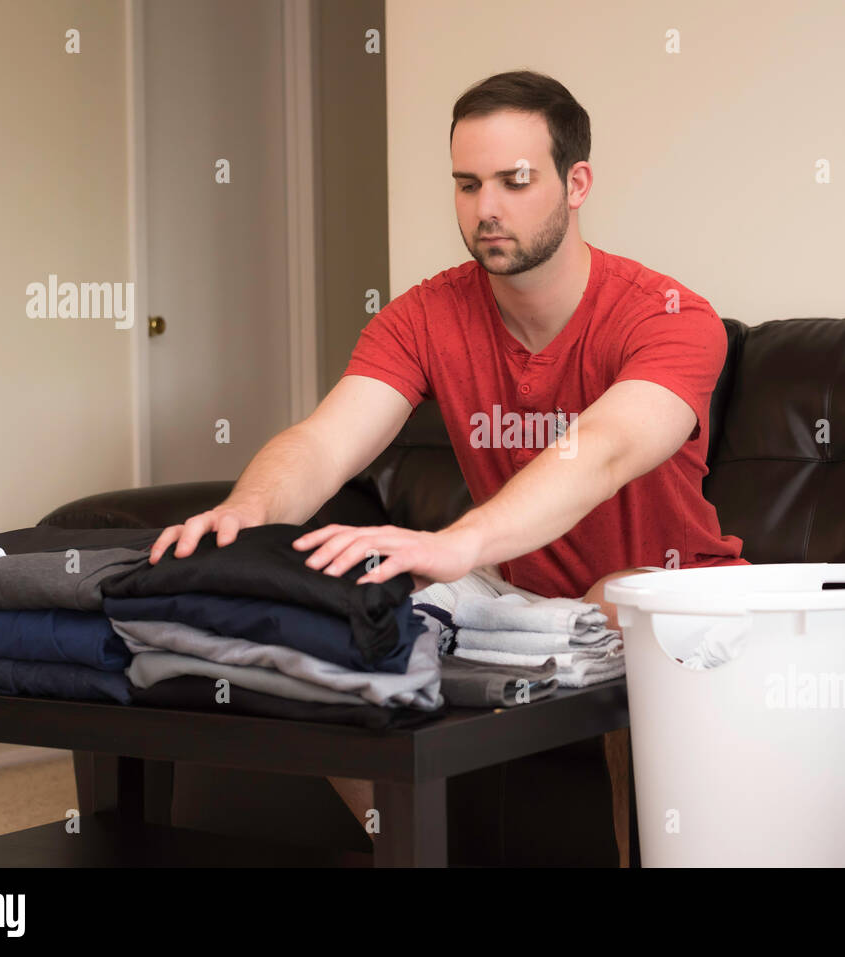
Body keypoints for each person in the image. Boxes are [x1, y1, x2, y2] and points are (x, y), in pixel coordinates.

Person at [148, 69, 747, 867]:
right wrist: (248, 509)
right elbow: (327, 440)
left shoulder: (670, 317)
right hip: (517, 591)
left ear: (577, 184)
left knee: (615, 601)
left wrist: (460, 543)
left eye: (514, 181)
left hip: (672, 589)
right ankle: (405, 852)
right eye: (467, 184)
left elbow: (600, 450)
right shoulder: (425, 315)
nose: (486, 208)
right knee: (323, 632)